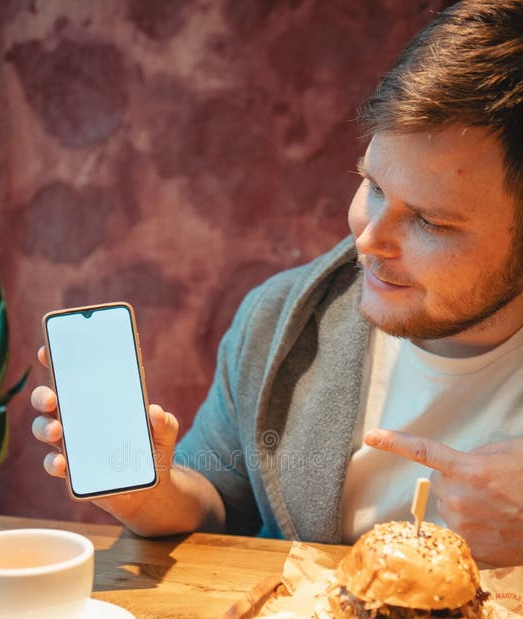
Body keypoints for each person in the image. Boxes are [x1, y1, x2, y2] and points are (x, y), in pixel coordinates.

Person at [31, 0, 523, 568]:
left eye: (431, 222)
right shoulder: (281, 320)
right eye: (375, 188)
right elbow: (222, 503)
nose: (369, 242)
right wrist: (150, 494)